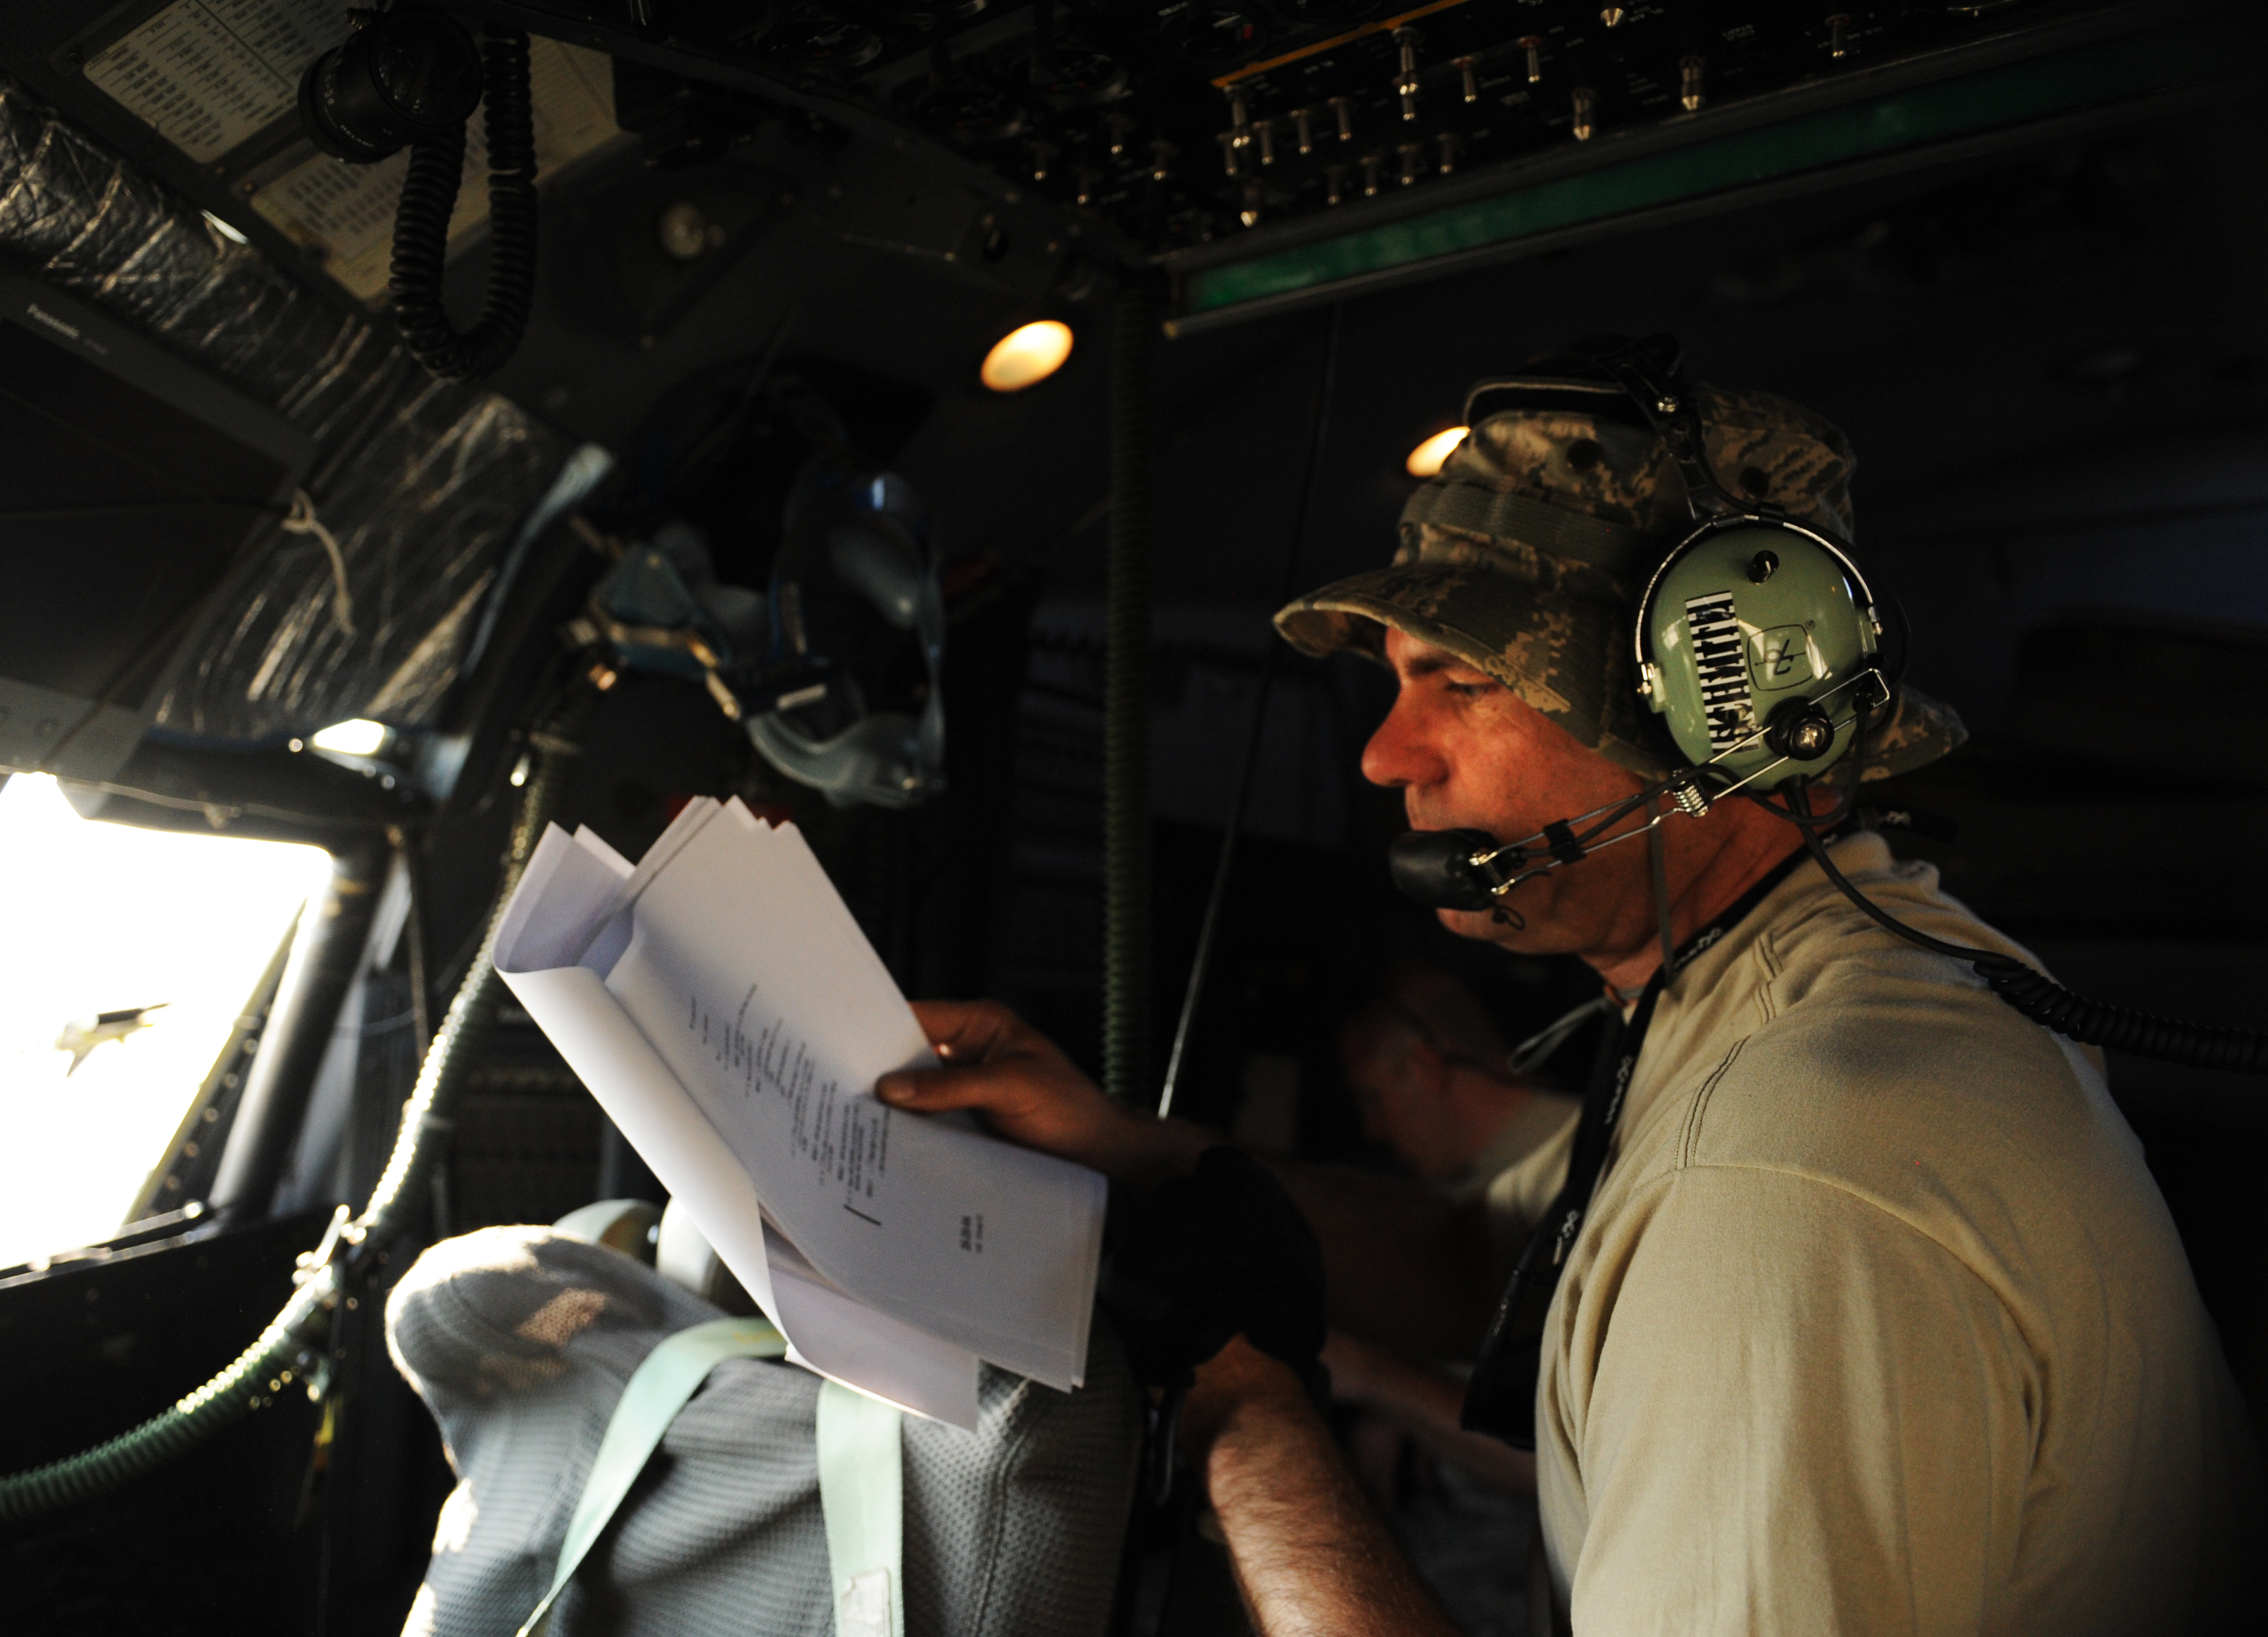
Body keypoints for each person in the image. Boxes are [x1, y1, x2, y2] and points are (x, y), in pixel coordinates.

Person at [879, 340, 2258, 1635]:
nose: (1384, 758)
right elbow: (1489, 1267)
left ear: (1714, 711)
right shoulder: (1782, 999)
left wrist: (1244, 1407)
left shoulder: (1789, 1174)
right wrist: (1129, 1157)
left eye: (1458, 683)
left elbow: (1699, 1228)